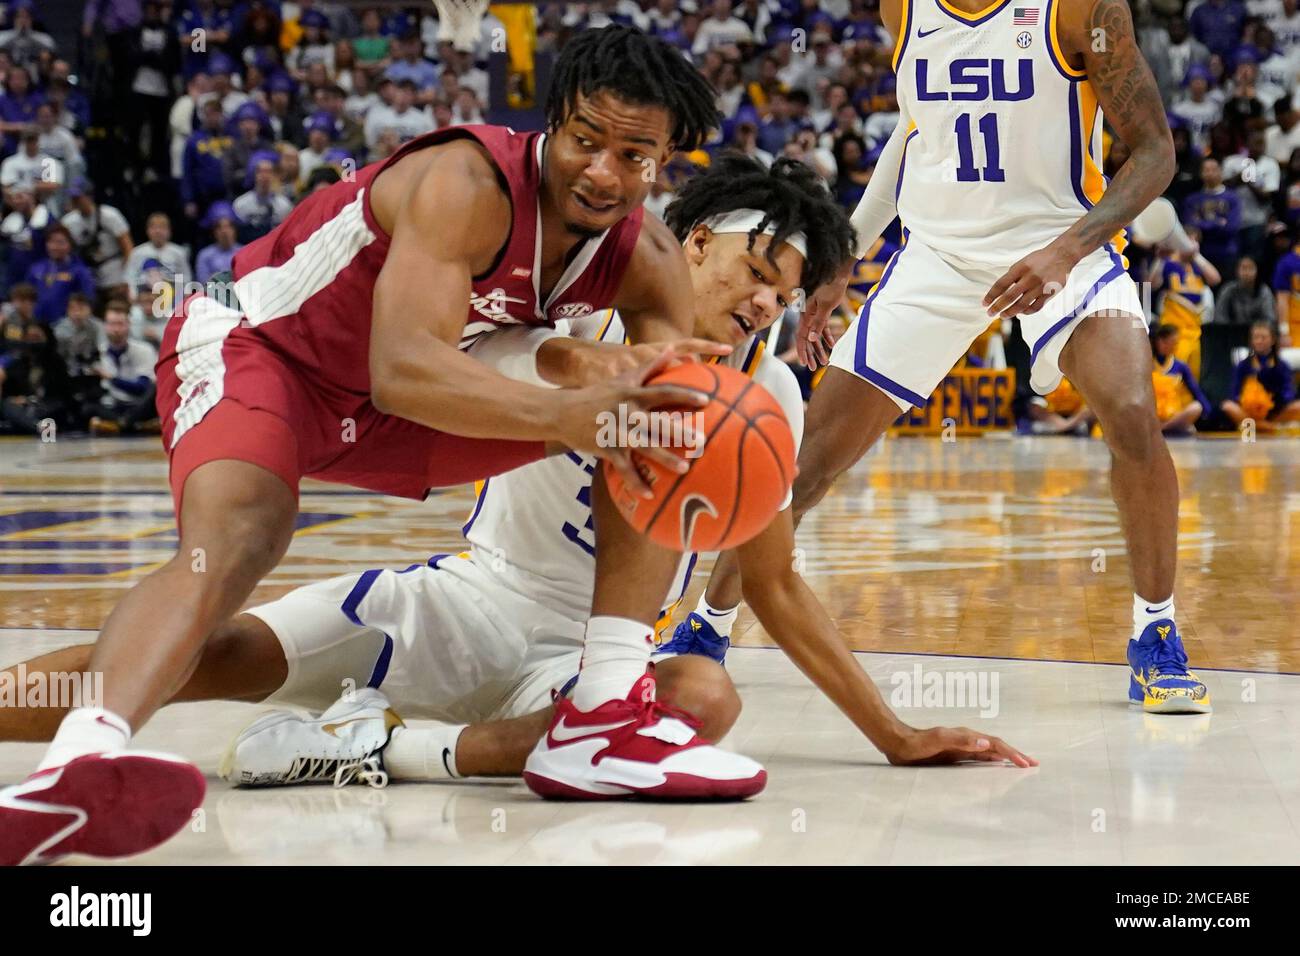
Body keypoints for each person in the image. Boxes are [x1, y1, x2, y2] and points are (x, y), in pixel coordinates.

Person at [0, 156, 1032, 789]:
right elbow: (502, 363)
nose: (763, 304)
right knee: (194, 651)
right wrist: (606, 388)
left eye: (784, 296)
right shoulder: (584, 309)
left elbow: (771, 581)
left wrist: (893, 732)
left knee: (706, 699)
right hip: (459, 603)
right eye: (754, 274)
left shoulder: (776, 398)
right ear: (695, 241)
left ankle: (386, 750)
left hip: (577, 661)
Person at [0, 25, 741, 867]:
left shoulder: (646, 255)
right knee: (239, 538)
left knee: (655, 428)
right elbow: (403, 369)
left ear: (668, 157)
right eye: (585, 141)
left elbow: (664, 412)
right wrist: (574, 408)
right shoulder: (466, 181)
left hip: (392, 404)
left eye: (633, 154)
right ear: (552, 124)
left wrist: (636, 399)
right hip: (268, 350)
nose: (604, 172)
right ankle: (81, 760)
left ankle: (604, 708)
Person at [683, 0, 1213, 723]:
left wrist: (1064, 251)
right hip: (936, 258)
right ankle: (706, 628)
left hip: (1061, 246)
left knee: (1132, 413)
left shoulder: (1084, 10)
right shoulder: (904, 8)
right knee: (804, 462)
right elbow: (912, 135)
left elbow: (1156, 153)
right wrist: (845, 254)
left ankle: (1155, 629)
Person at [1149, 228, 1221, 379]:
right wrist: (1160, 259)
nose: (1189, 245)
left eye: (1194, 241)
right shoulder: (1168, 263)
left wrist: (1197, 256)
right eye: (1187, 241)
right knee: (1172, 375)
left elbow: (1215, 279)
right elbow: (1151, 284)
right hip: (1173, 331)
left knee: (1192, 376)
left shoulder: (1197, 266)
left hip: (1194, 332)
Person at [87, 301, 159, 437]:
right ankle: (132, 424)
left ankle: (122, 424)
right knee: (87, 406)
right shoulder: (98, 353)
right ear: (105, 326)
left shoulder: (144, 350)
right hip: (113, 405)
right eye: (111, 324)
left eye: (120, 324)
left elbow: (142, 387)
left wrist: (111, 378)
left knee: (156, 389)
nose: (116, 329)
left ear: (128, 325)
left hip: (139, 403)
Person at [1221, 320, 1300, 429]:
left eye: (1263, 337)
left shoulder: (1281, 365)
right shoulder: (1243, 365)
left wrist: (1271, 401)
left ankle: (1262, 426)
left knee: (1297, 406)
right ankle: (1264, 427)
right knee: (1227, 406)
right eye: (1256, 337)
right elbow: (1234, 392)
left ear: (1272, 340)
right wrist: (1247, 401)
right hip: (1248, 412)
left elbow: (1288, 391)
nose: (1259, 341)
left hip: (1274, 412)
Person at [1149, 324, 1209, 435]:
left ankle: (1162, 428)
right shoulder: (1147, 363)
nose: (1176, 347)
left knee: (1196, 408)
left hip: (1173, 416)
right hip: (1151, 415)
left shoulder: (1181, 366)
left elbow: (1195, 390)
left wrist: (1207, 411)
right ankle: (1160, 427)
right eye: (1173, 343)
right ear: (1161, 342)